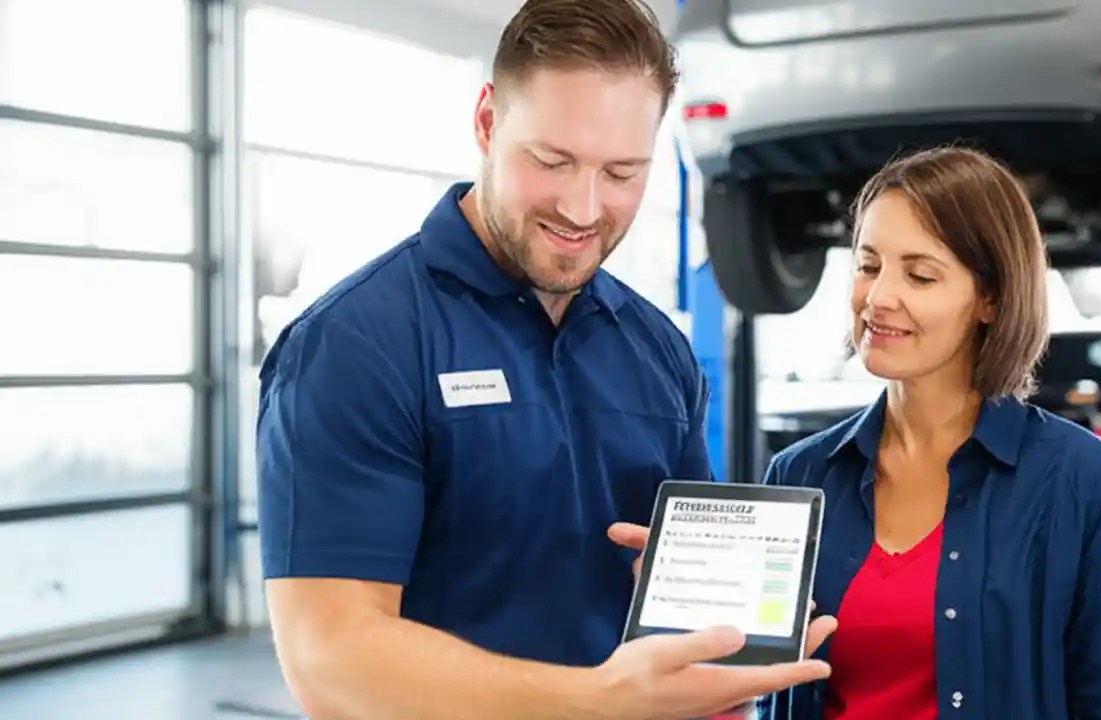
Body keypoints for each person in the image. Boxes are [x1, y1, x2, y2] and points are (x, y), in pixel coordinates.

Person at [254, 0, 835, 718]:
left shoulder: (657, 351)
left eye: (622, 173)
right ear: (488, 123)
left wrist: (734, 628)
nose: (584, 208)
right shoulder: (354, 345)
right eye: (553, 161)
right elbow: (330, 660)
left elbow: (670, 610)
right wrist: (601, 700)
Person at [614, 146, 1101, 719]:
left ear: (991, 298)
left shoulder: (1080, 478)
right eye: (869, 265)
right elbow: (757, 692)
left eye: (919, 275)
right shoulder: (802, 473)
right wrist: (691, 605)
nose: (878, 298)